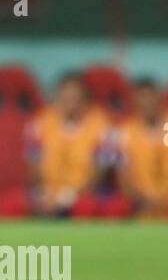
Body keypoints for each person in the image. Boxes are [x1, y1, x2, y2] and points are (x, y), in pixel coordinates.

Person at [24, 73, 119, 218]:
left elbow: (100, 176)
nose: (70, 103)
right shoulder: (39, 124)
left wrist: (67, 197)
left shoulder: (104, 127)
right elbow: (34, 171)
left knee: (87, 207)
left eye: (75, 98)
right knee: (19, 204)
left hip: (86, 193)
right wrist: (44, 195)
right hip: (48, 192)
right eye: (65, 98)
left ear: (86, 100)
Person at [113, 78, 168, 218]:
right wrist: (143, 198)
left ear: (160, 100)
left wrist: (164, 198)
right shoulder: (126, 132)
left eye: (151, 100)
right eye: (142, 102)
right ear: (135, 103)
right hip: (140, 200)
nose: (148, 105)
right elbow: (124, 177)